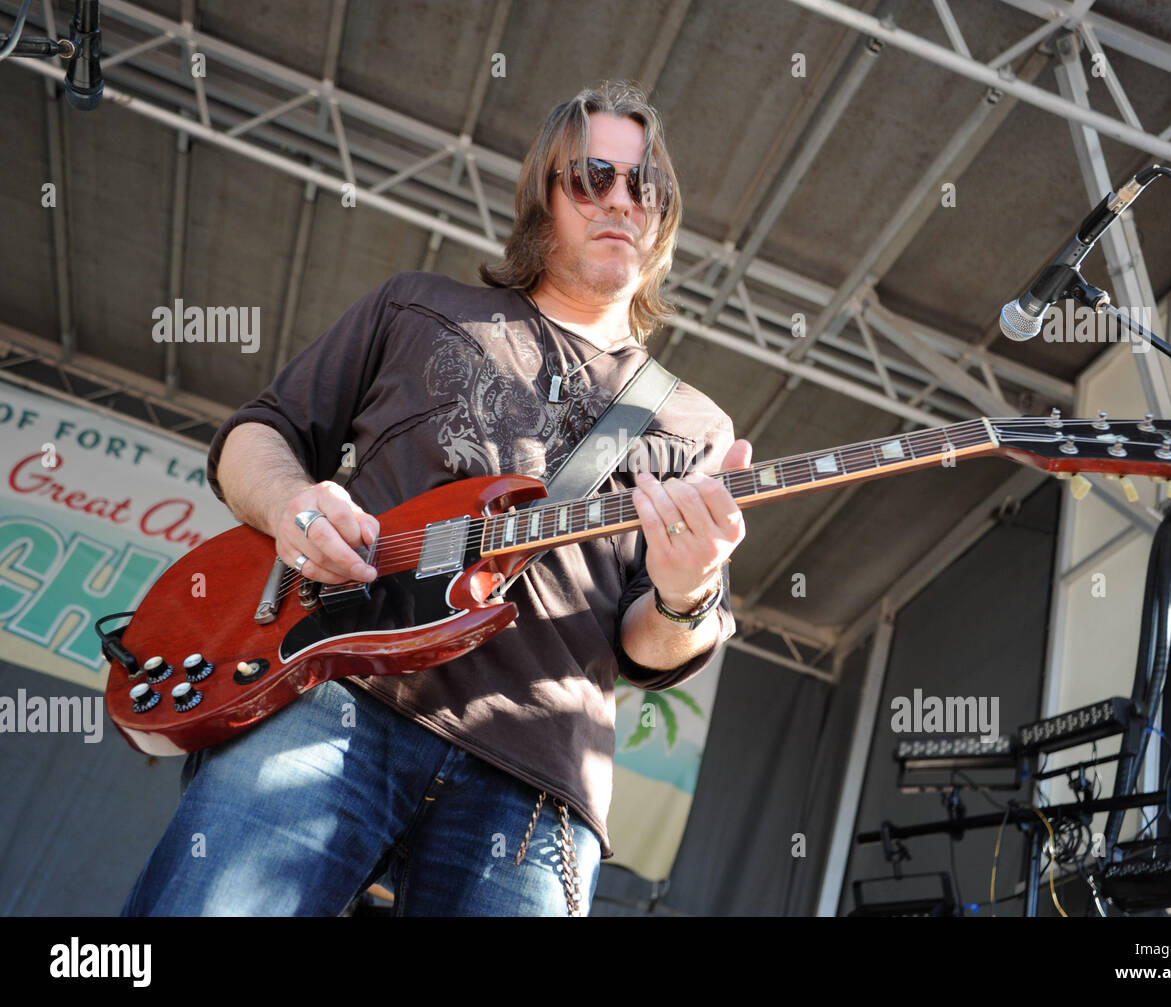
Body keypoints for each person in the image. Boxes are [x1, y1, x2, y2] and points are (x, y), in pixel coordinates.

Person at [121, 80, 750, 917]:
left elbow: (651, 647)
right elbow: (256, 435)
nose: (623, 201)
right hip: (335, 699)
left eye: (647, 186)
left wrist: (687, 590)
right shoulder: (418, 305)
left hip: (535, 776)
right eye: (594, 176)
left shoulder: (694, 422)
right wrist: (292, 507)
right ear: (542, 196)